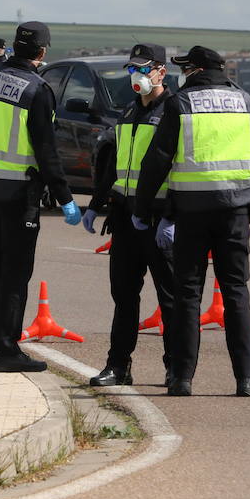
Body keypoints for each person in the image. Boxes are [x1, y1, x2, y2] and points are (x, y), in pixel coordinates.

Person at [135, 45, 250, 398]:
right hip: (236, 213)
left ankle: (182, 378)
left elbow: (157, 162)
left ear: (196, 70)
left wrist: (142, 208)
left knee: (187, 294)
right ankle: (246, 379)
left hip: (192, 212)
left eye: (186, 69)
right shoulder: (247, 102)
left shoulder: (180, 103)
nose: (183, 75)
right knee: (236, 292)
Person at [0, 22, 79, 373]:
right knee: (15, 273)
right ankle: (5, 350)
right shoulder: (37, 90)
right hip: (17, 191)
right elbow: (46, 150)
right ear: (43, 52)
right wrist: (64, 196)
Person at [85, 43, 177, 388]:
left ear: (161, 72)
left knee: (170, 298)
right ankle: (118, 365)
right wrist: (96, 203)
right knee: (123, 296)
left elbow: (180, 167)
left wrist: (171, 215)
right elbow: (114, 163)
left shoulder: (174, 111)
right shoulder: (128, 112)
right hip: (125, 216)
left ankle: (175, 367)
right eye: (132, 69)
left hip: (157, 218)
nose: (136, 76)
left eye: (143, 69)